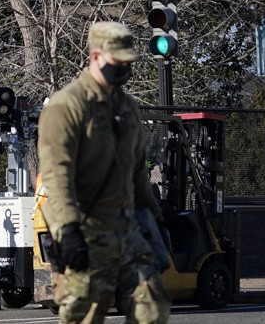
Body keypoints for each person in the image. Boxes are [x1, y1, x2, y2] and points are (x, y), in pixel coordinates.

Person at [37, 21, 170, 324]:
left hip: (127, 228)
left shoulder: (128, 108)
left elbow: (137, 173)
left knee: (153, 308)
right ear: (95, 56)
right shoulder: (66, 107)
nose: (124, 67)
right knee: (85, 315)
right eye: (117, 60)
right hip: (85, 230)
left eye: (128, 61)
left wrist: (157, 220)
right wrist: (68, 230)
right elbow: (57, 175)